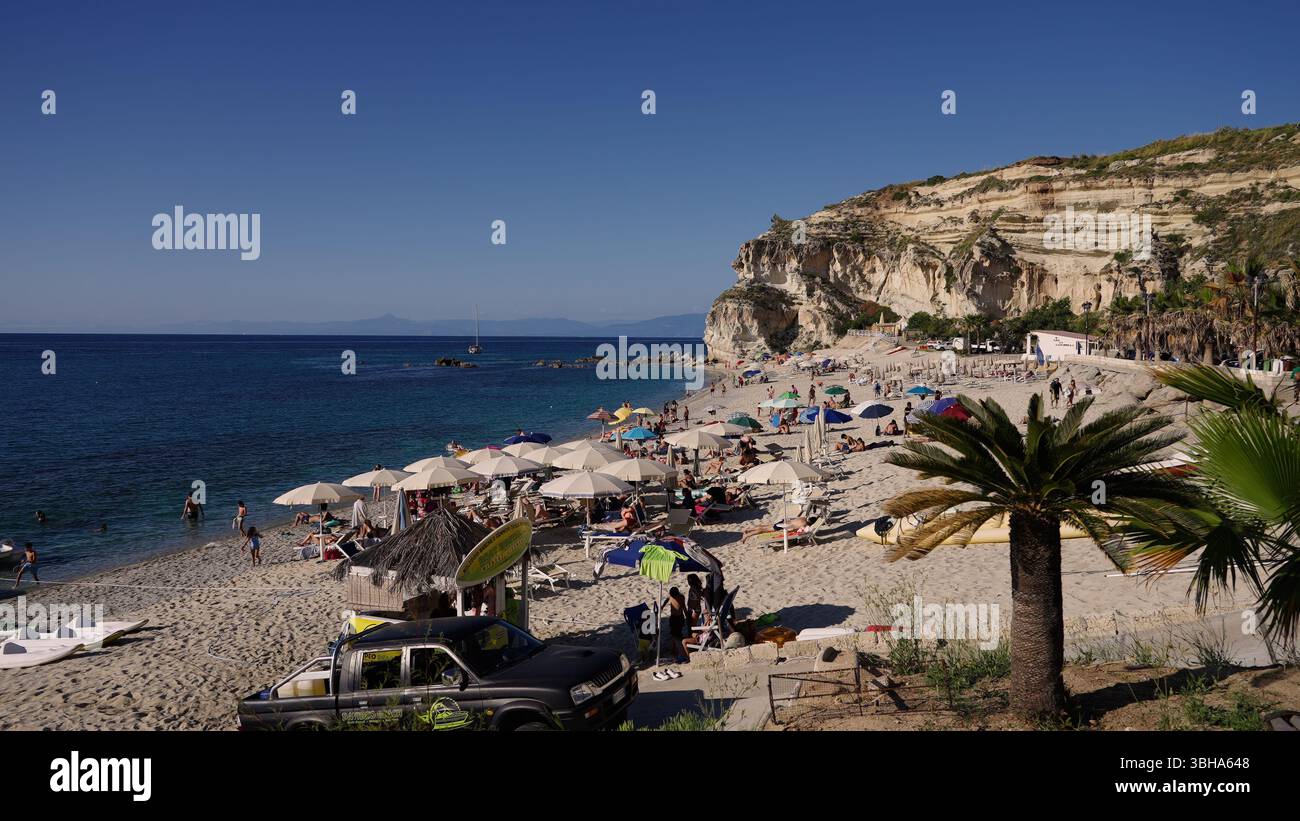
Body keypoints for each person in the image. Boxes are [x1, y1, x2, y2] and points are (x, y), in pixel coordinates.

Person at [664, 587, 691, 663]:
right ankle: (673, 649)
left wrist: (687, 617)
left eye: (674, 596)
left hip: (679, 617)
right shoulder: (671, 596)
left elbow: (684, 607)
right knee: (673, 633)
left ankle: (676, 649)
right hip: (673, 617)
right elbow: (667, 599)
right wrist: (663, 605)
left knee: (677, 634)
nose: (673, 597)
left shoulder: (681, 597)